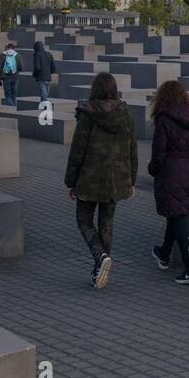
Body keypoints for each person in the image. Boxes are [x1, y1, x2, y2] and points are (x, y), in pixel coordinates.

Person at [64, 72, 137, 289]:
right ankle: (100, 267)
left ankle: (100, 257)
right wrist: (131, 179)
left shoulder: (88, 115)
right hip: (116, 179)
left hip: (90, 178)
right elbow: (132, 149)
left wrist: (71, 181)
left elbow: (78, 151)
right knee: (106, 223)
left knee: (83, 220)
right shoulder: (126, 114)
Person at [148, 80, 189, 285]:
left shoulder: (164, 119)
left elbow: (159, 153)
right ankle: (163, 252)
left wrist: (152, 169)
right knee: (176, 213)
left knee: (179, 218)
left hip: (171, 173)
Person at [0, 42, 23, 107]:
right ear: (14, 48)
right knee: (14, 94)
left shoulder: (2, 55)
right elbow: (21, 67)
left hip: (5, 78)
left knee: (7, 95)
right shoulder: (17, 55)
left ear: (7, 48)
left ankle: (11, 108)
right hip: (15, 77)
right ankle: (13, 108)